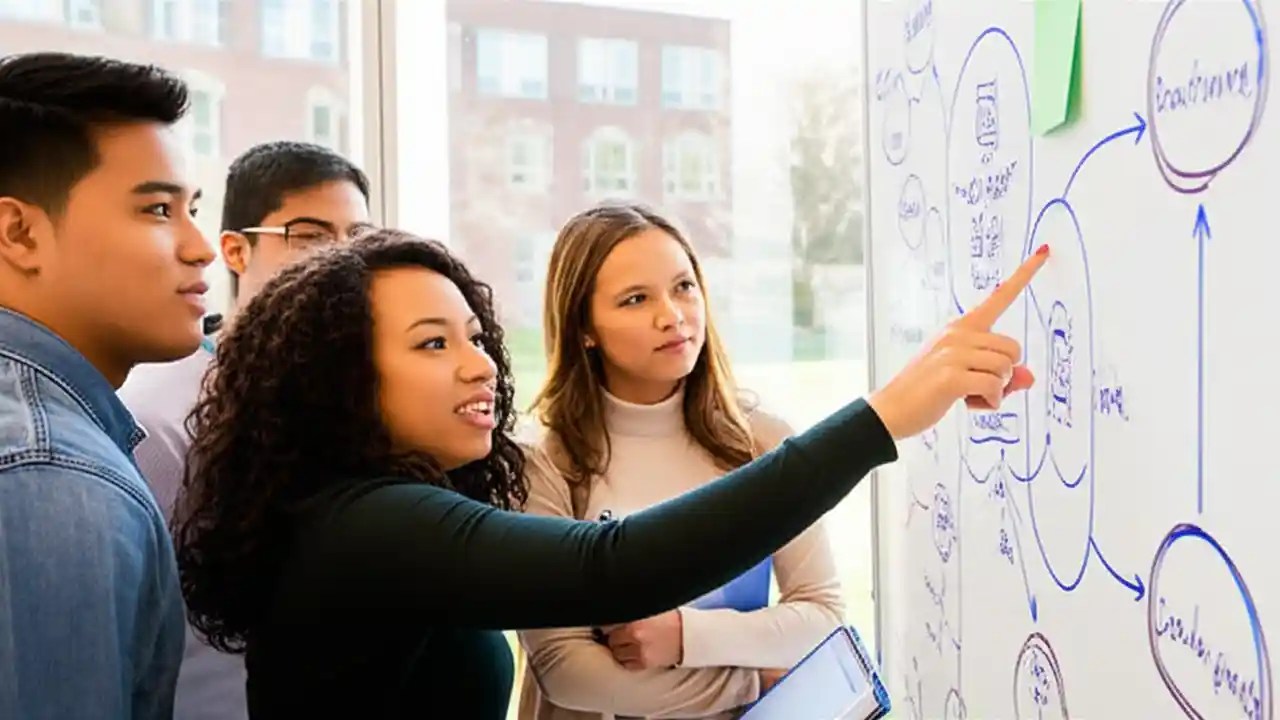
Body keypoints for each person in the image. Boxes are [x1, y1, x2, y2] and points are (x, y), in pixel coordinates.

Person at [173, 228, 1047, 719]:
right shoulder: (370, 526)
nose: (480, 365)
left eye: (474, 336)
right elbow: (615, 570)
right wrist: (885, 416)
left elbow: (816, 612)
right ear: (338, 380)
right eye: (432, 344)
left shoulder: (379, 511)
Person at [518, 202, 843, 719]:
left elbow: (823, 617)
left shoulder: (762, 441)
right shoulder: (545, 459)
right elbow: (565, 668)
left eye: (683, 287)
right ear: (583, 328)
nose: (671, 316)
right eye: (635, 299)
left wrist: (685, 635)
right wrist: (748, 681)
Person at [118, 140, 372, 720]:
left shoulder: (369, 398)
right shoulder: (161, 410)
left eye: (359, 237)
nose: (344, 260)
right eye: (310, 236)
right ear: (234, 249)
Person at [0, 52, 213, 719]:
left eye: (192, 209)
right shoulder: (50, 475)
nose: (201, 246)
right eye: (158, 209)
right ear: (19, 233)